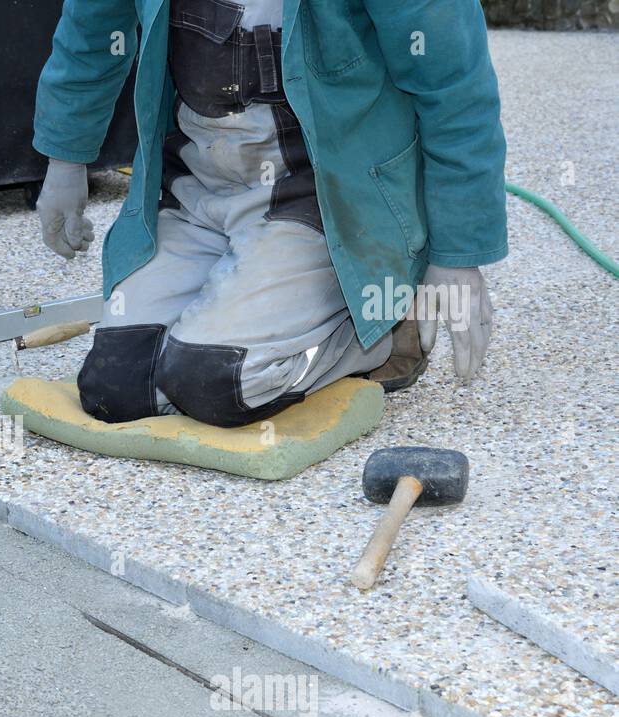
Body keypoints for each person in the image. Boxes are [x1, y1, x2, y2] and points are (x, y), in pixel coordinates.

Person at [33, 0, 507, 427]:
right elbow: (92, 32)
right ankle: (252, 298)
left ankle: (382, 331)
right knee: (116, 387)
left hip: (322, 199)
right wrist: (65, 159)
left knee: (214, 379)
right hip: (195, 190)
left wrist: (456, 256)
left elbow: (455, 88)